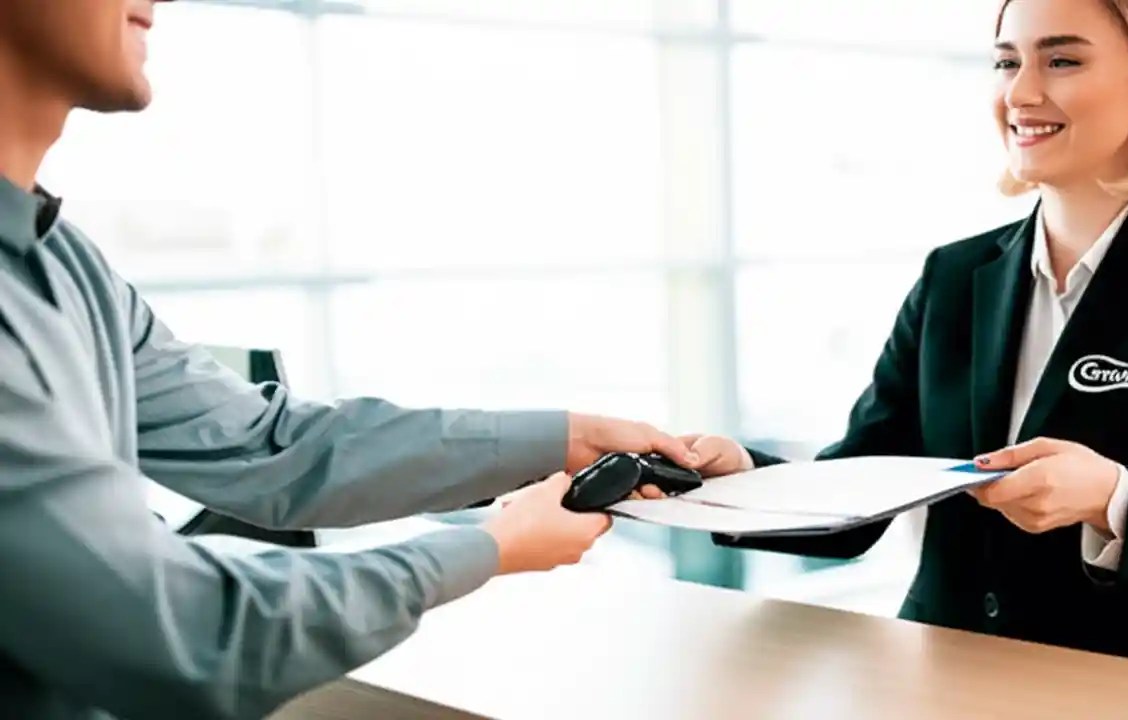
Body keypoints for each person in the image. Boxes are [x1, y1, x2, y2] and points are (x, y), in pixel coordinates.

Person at [0, 1, 700, 718]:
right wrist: (487, 551)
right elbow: (181, 631)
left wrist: (564, 438)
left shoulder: (63, 262)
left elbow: (270, 444)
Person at [677, 0, 1128, 673]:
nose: (1019, 93)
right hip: (938, 681)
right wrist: (738, 481)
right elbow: (858, 490)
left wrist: (1115, 499)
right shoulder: (955, 276)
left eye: (1061, 60)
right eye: (1006, 62)